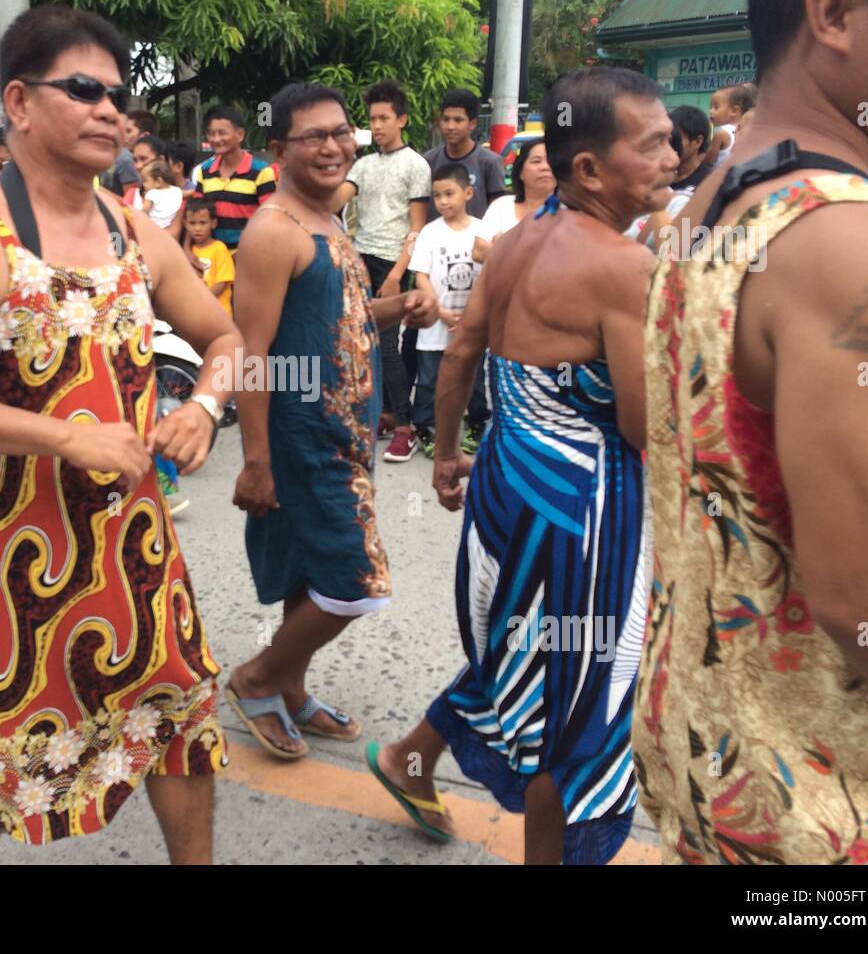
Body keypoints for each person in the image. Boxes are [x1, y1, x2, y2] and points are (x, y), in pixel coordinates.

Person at [0, 4, 242, 864]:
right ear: (21, 102)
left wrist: (204, 409)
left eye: (119, 95)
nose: (111, 110)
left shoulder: (129, 225)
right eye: (84, 90)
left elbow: (223, 339)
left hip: (135, 541)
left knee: (177, 707)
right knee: (0, 736)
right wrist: (65, 438)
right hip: (15, 548)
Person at [637, 0, 868, 865]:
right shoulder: (857, 242)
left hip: (724, 762)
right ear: (833, 14)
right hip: (849, 808)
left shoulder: (711, 200)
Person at [368, 66, 675, 864]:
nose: (674, 156)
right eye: (655, 145)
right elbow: (643, 426)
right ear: (590, 170)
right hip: (583, 507)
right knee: (581, 701)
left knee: (526, 655)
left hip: (507, 481)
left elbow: (464, 350)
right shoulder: (623, 268)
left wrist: (447, 456)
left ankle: (413, 755)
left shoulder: (513, 242)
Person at [229, 81, 437, 760]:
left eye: (341, 132)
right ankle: (257, 676)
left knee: (307, 575)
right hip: (300, 437)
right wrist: (256, 460)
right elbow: (252, 353)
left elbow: (342, 318)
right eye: (313, 136)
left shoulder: (329, 222)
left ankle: (290, 688)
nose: (333, 145)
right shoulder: (272, 232)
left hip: (347, 434)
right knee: (354, 584)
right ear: (278, 150)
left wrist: (399, 306)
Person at [331, 80, 431, 463]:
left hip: (392, 261)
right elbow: (338, 198)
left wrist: (397, 274)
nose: (377, 126)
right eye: (372, 119)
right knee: (360, 342)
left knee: (387, 347)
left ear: (402, 120)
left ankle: (404, 428)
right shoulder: (363, 163)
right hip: (359, 258)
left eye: (384, 118)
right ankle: (383, 415)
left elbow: (416, 227)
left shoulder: (416, 164)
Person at [407, 165, 488, 458]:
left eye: (449, 194)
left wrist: (473, 315)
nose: (442, 201)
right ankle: (424, 426)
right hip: (435, 325)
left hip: (473, 325)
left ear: (468, 193)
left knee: (475, 376)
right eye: (437, 196)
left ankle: (477, 422)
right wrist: (439, 311)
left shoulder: (482, 231)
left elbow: (490, 275)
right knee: (429, 379)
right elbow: (421, 276)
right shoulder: (430, 232)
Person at [193, 104, 277, 253]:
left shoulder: (261, 172)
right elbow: (195, 213)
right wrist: (188, 249)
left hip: (250, 255)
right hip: (213, 258)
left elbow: (270, 220)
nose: (216, 139)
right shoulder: (204, 172)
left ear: (240, 135)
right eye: (211, 133)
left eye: (222, 133)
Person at [421, 88, 508, 222]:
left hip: (477, 240)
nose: (450, 126)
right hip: (436, 240)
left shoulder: (489, 162)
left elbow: (498, 211)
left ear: (472, 123)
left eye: (458, 120)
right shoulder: (429, 160)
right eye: (446, 119)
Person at [183, 197, 234, 316]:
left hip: (219, 314)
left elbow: (222, 282)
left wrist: (202, 302)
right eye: (192, 223)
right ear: (185, 224)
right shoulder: (189, 252)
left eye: (203, 223)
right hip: (197, 313)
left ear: (213, 223)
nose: (197, 228)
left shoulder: (219, 248)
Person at [704, 84, 754, 168]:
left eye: (716, 107)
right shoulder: (748, 130)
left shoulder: (721, 133)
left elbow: (708, 161)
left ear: (734, 110)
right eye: (711, 107)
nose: (710, 111)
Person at [140, 158, 184, 236]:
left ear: (158, 182)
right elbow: (186, 193)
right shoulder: (176, 190)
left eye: (145, 180)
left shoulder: (151, 194)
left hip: (153, 230)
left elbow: (144, 211)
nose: (143, 185)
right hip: (170, 229)